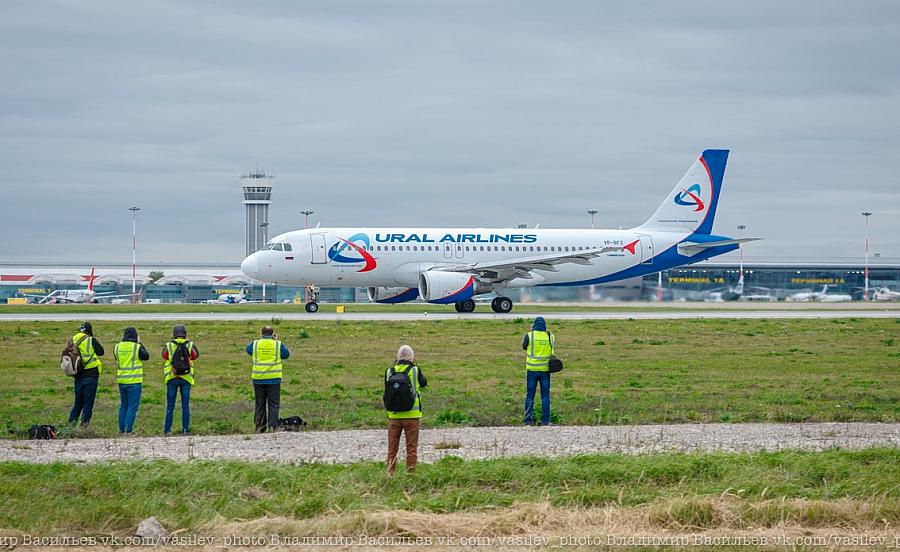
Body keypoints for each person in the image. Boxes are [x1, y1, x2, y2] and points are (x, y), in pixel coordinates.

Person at [385, 345, 427, 473]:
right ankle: (411, 474)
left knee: (392, 448)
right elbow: (424, 383)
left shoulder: (389, 371)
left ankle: (390, 474)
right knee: (411, 448)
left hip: (394, 416)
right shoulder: (415, 370)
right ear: (412, 357)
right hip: (412, 416)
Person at [246, 325, 290, 433]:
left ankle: (259, 427)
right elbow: (286, 354)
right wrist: (275, 341)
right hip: (273, 378)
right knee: (273, 404)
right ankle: (273, 427)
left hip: (258, 378)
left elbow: (249, 350)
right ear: (272, 334)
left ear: (261, 333)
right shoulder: (277, 344)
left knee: (260, 404)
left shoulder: (255, 344)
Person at [162, 324, 200, 435]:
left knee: (170, 405)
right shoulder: (190, 345)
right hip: (186, 378)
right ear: (185, 334)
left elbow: (164, 356)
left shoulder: (169, 345)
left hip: (172, 377)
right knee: (185, 405)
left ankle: (167, 430)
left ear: (174, 334)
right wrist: (188, 341)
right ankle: (185, 429)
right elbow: (195, 356)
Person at [113, 327, 149, 434]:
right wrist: (140, 343)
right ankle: (128, 429)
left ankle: (121, 429)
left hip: (122, 380)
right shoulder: (136, 347)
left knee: (124, 405)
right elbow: (146, 356)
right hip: (134, 380)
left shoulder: (117, 347)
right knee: (132, 407)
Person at [68, 322, 104, 427]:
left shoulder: (72, 339)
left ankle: (71, 425)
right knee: (88, 402)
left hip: (77, 374)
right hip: (90, 374)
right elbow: (101, 352)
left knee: (78, 402)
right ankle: (84, 425)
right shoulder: (90, 340)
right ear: (90, 331)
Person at [522, 316, 555, 426]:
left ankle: (528, 420)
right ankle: (546, 420)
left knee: (530, 395)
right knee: (545, 395)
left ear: (534, 325)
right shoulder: (550, 336)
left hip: (532, 369)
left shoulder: (529, 336)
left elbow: (524, 346)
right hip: (545, 370)